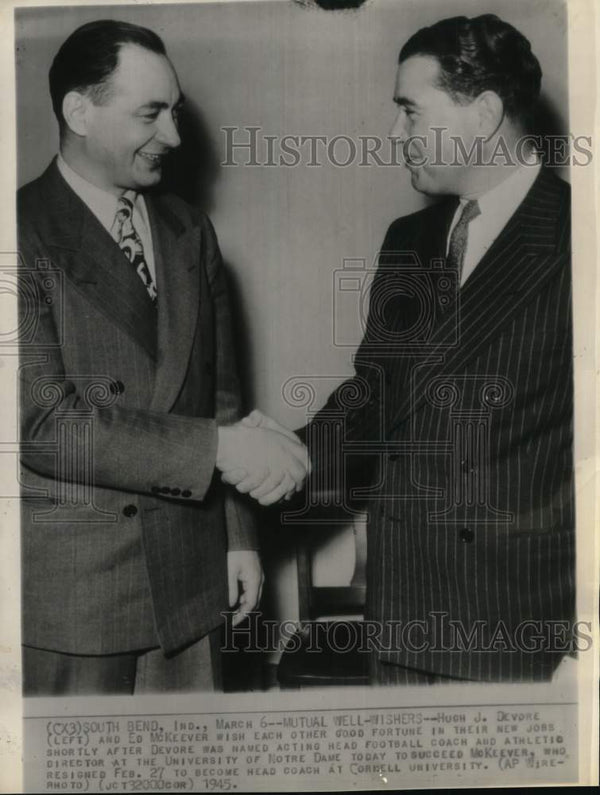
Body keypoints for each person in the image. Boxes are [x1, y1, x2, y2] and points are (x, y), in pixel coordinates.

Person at [249, 14, 575, 683]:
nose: (395, 133)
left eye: (410, 110)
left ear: (483, 113)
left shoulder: (582, 235)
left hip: (522, 630)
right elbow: (376, 400)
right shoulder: (409, 240)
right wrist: (278, 458)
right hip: (402, 618)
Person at [18, 19, 309, 695]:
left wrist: (239, 537)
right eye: (150, 114)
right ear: (79, 112)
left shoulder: (188, 229)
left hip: (192, 578)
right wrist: (219, 451)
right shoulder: (19, 233)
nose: (174, 136)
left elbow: (221, 394)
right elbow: (47, 425)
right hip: (77, 600)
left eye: (175, 112)